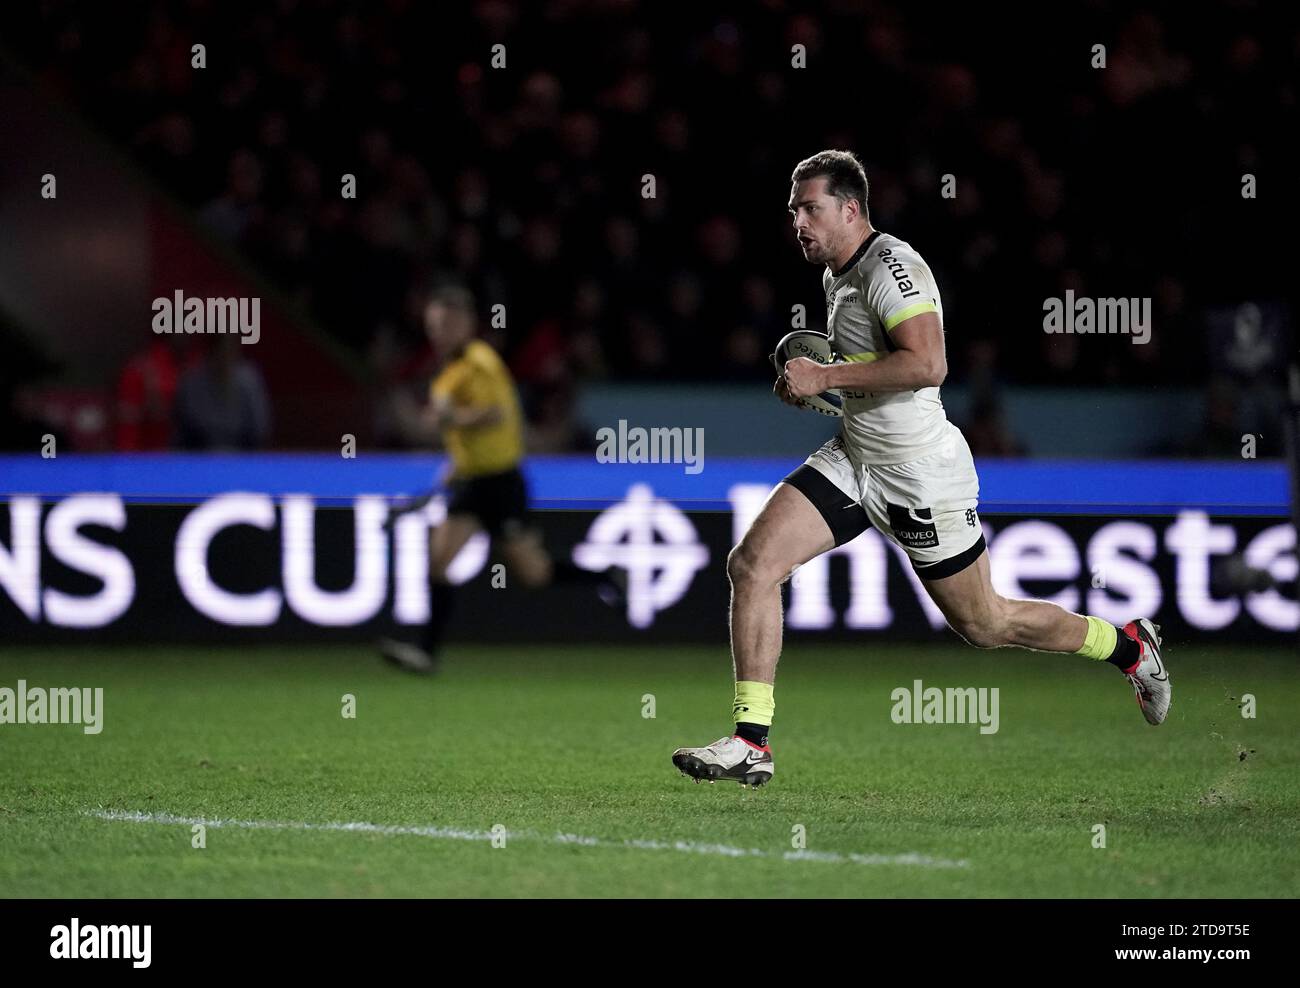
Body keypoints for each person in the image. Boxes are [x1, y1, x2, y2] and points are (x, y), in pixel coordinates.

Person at [671, 151, 1169, 788]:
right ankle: (751, 741)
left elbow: (927, 365)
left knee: (985, 624)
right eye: (795, 209)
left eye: (810, 208)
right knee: (752, 563)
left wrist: (825, 375)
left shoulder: (893, 267)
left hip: (918, 474)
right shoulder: (836, 272)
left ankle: (1126, 645)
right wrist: (821, 391)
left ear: (851, 209)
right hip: (855, 458)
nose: (797, 220)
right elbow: (871, 375)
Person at [379, 285, 623, 673]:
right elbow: (464, 440)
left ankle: (604, 574)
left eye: (446, 324)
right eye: (433, 325)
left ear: (466, 325)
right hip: (471, 484)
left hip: (501, 484)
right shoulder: (449, 374)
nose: (438, 333)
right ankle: (426, 651)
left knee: (534, 573)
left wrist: (450, 418)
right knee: (438, 561)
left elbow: (496, 415)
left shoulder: (480, 363)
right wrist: (445, 476)